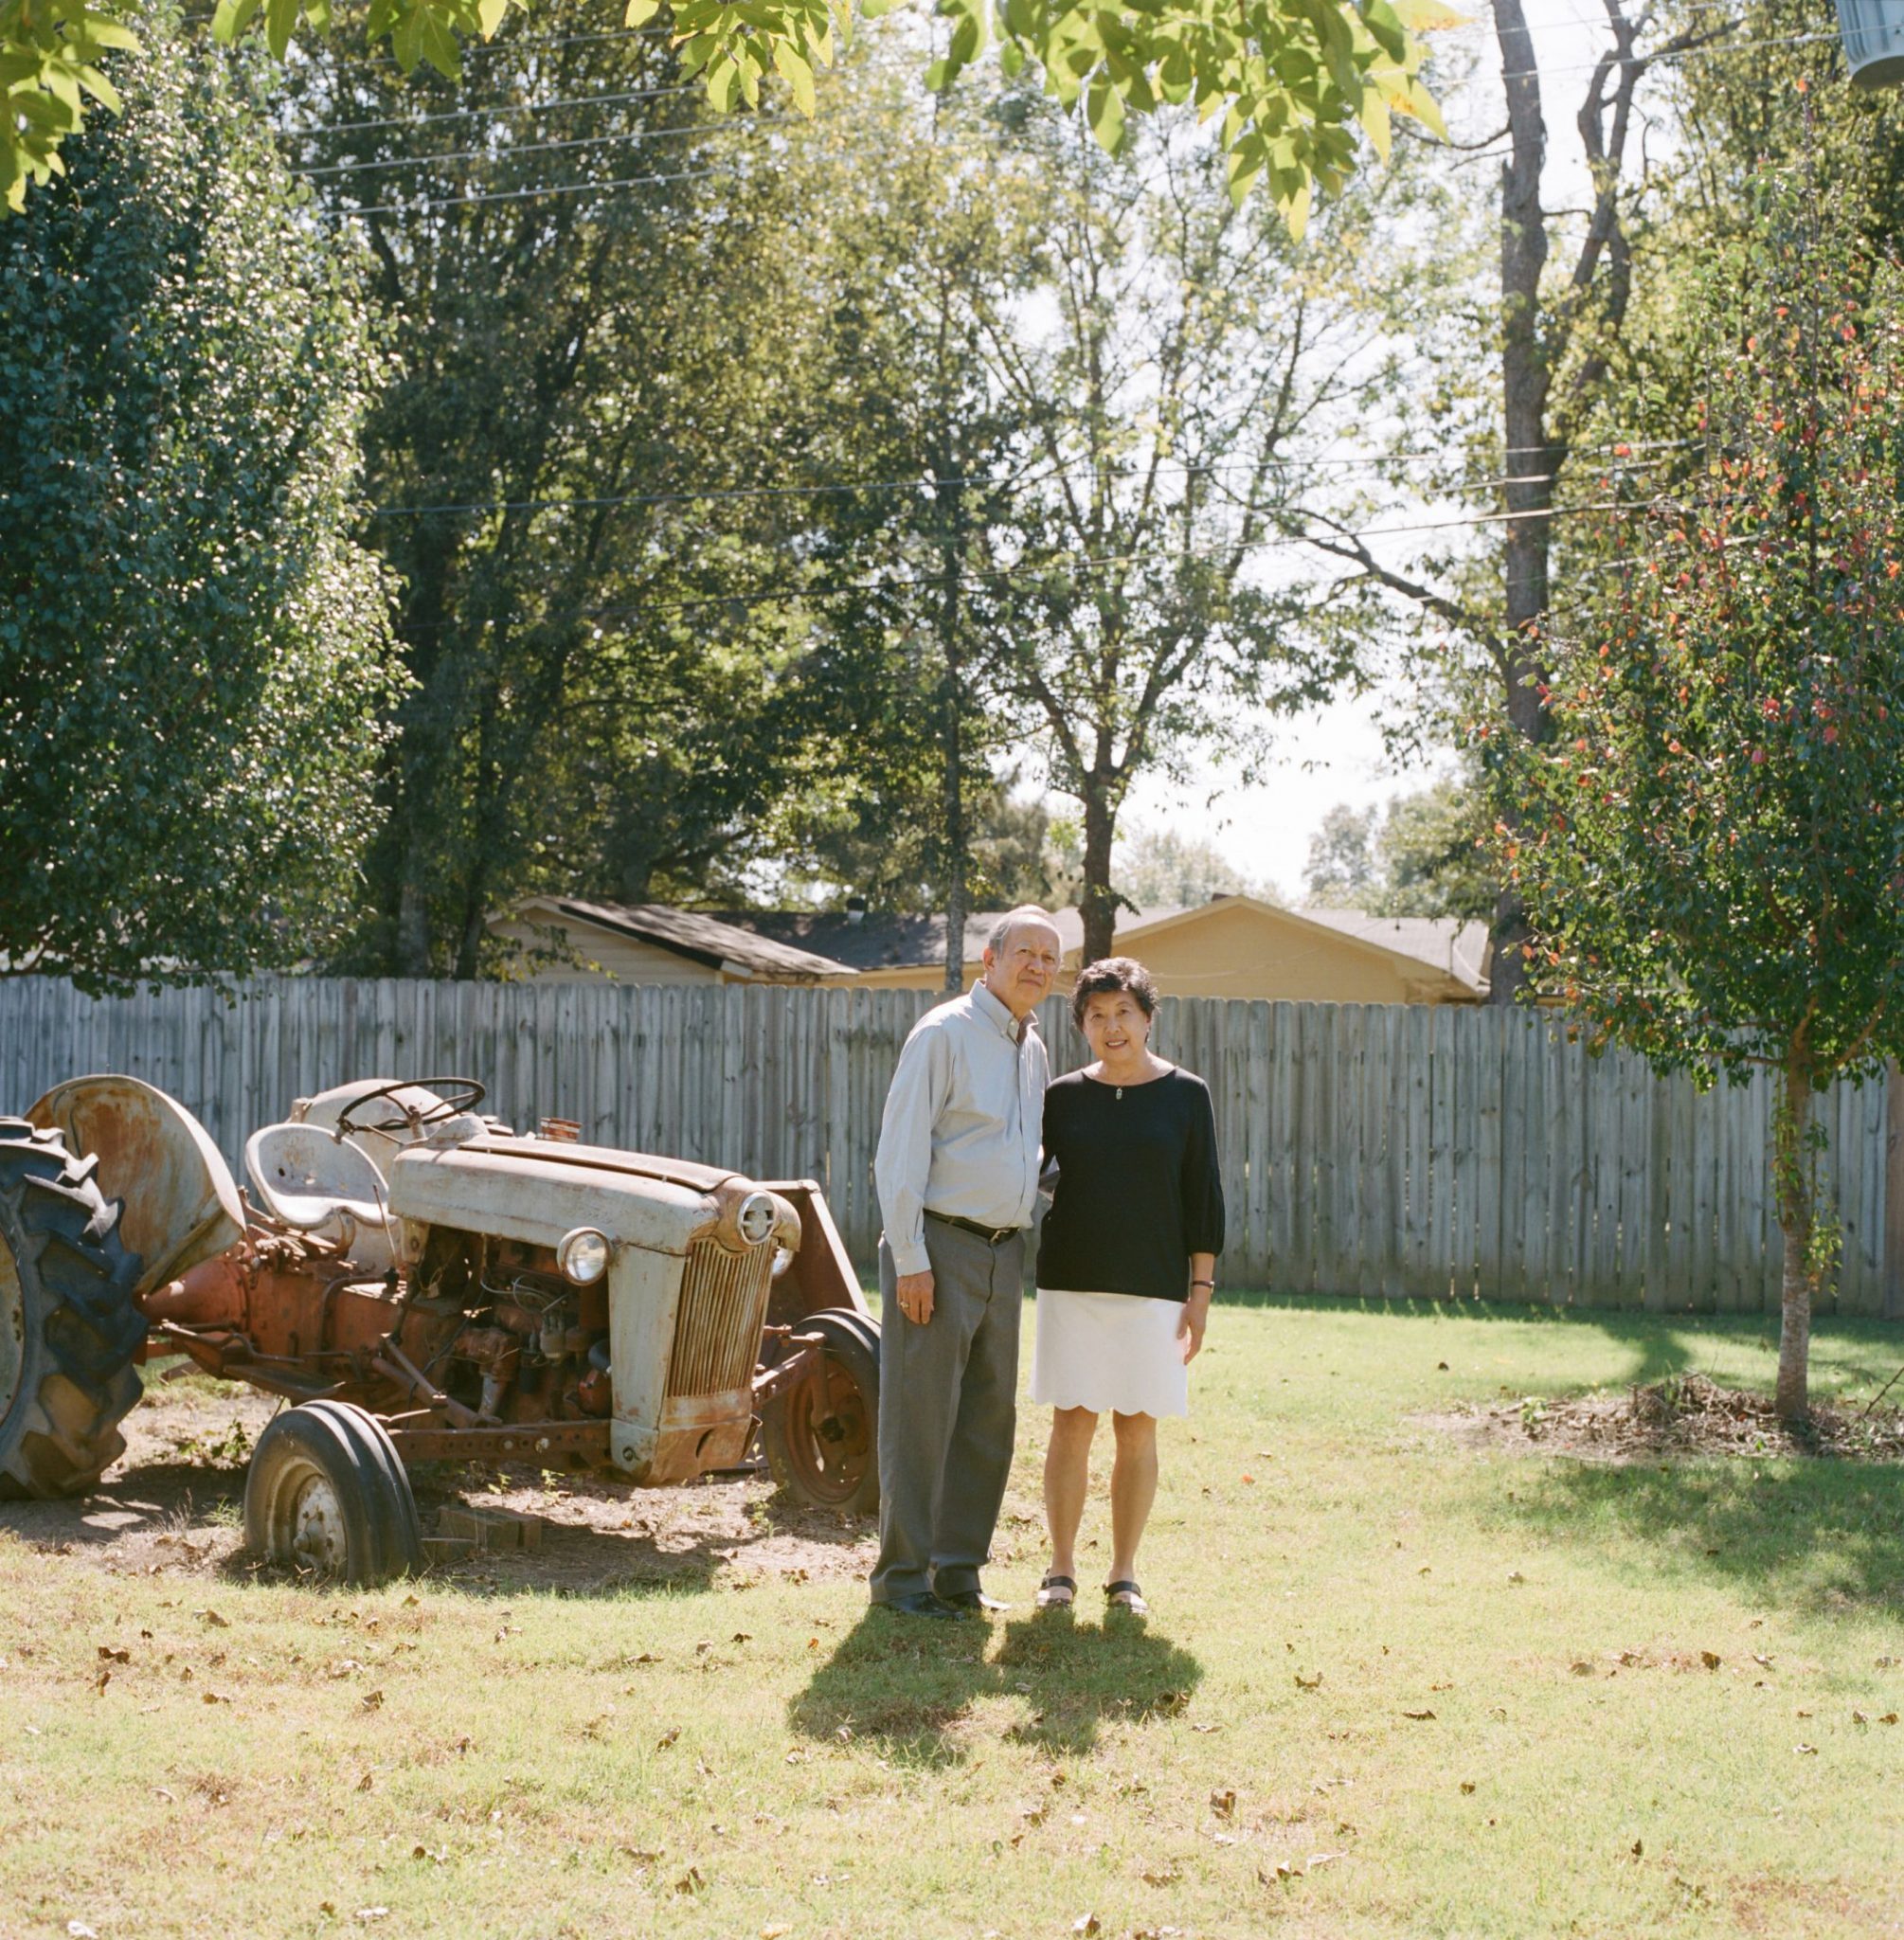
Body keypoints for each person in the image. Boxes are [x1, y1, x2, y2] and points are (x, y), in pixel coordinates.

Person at [869, 906, 1062, 1619]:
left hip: (1004, 1252)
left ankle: (957, 1571)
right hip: (938, 1247)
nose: (1038, 966)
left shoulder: (1032, 1047)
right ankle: (902, 1579)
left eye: (1050, 957)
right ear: (990, 957)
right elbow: (899, 1155)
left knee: (986, 1419)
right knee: (920, 1419)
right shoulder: (944, 1033)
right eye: (1025, 952)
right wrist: (912, 1260)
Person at [1031, 956, 1224, 1617]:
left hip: (1153, 1288)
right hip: (1072, 1283)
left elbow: (1203, 1199)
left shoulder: (1186, 1094)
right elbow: (1026, 1174)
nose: (1112, 1027)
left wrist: (1199, 1293)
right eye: (1097, 1015)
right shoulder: (1060, 1097)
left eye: (1124, 1014)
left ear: (1148, 1018)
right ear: (1082, 1024)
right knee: (1071, 1424)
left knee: (1137, 1428)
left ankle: (1124, 1574)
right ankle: (1059, 1569)